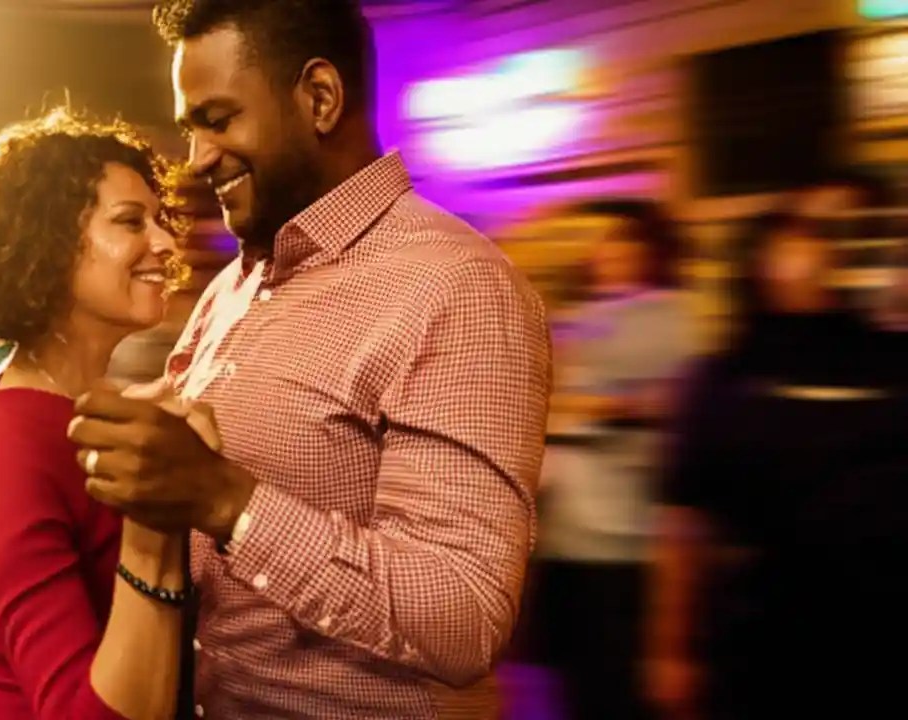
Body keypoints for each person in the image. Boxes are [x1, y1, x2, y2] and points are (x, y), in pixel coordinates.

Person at [66, 2, 552, 718]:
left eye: (219, 119)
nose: (197, 157)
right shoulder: (233, 286)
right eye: (190, 125)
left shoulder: (456, 286)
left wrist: (228, 501)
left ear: (320, 98)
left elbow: (465, 615)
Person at [0, 108, 200, 720]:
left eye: (159, 219)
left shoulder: (82, 402)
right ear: (49, 247)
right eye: (130, 222)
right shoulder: (8, 443)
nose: (166, 242)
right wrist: (157, 524)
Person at [646, 211, 908, 720]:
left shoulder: (888, 357)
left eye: (816, 242)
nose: (809, 258)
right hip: (768, 629)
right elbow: (684, 523)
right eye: (790, 244)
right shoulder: (723, 379)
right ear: (754, 267)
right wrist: (671, 649)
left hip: (888, 623)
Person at [534, 202, 695, 720]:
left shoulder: (669, 315)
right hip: (568, 535)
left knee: (622, 691)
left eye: (620, 240)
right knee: (576, 685)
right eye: (602, 241)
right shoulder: (579, 318)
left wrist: (608, 405)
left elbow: (684, 400)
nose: (606, 251)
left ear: (648, 249)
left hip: (629, 539)